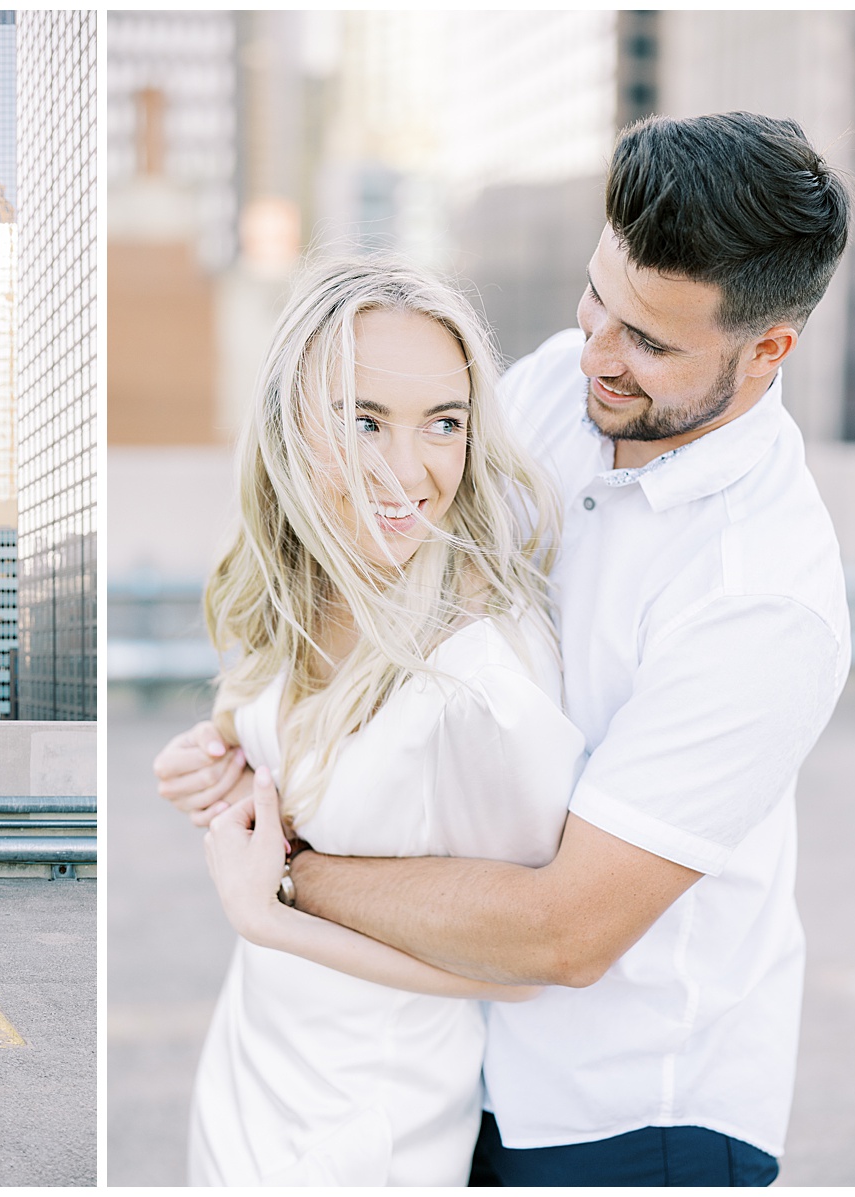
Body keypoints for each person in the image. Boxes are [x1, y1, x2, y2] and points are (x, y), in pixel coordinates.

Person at [157, 111, 852, 1186]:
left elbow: (565, 935)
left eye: (651, 342)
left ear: (767, 351)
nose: (599, 353)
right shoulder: (554, 390)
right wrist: (247, 741)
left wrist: (287, 866)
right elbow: (381, 586)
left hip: (632, 1122)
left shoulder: (762, 600)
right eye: (597, 297)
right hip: (455, 1067)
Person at [177, 254, 587, 1185]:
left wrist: (272, 910)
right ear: (292, 423)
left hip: (371, 1139)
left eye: (443, 423)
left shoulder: (482, 682)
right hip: (245, 1094)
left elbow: (518, 969)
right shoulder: (312, 587)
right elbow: (294, 737)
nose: (408, 472)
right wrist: (219, 748)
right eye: (364, 420)